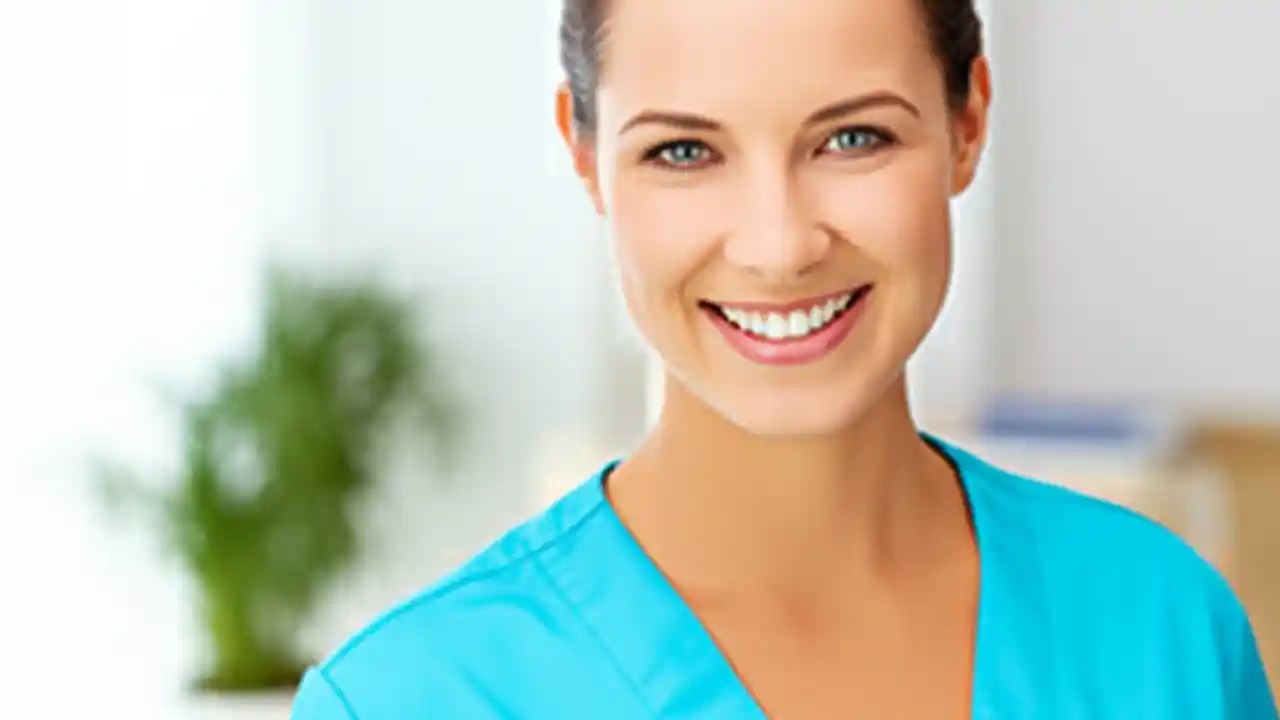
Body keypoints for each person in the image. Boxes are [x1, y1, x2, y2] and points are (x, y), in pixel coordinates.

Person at [290, 0, 1277, 717]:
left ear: (966, 122)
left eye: (851, 138)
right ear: (584, 155)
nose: (777, 243)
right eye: (683, 152)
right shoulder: (407, 699)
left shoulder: (1164, 630)